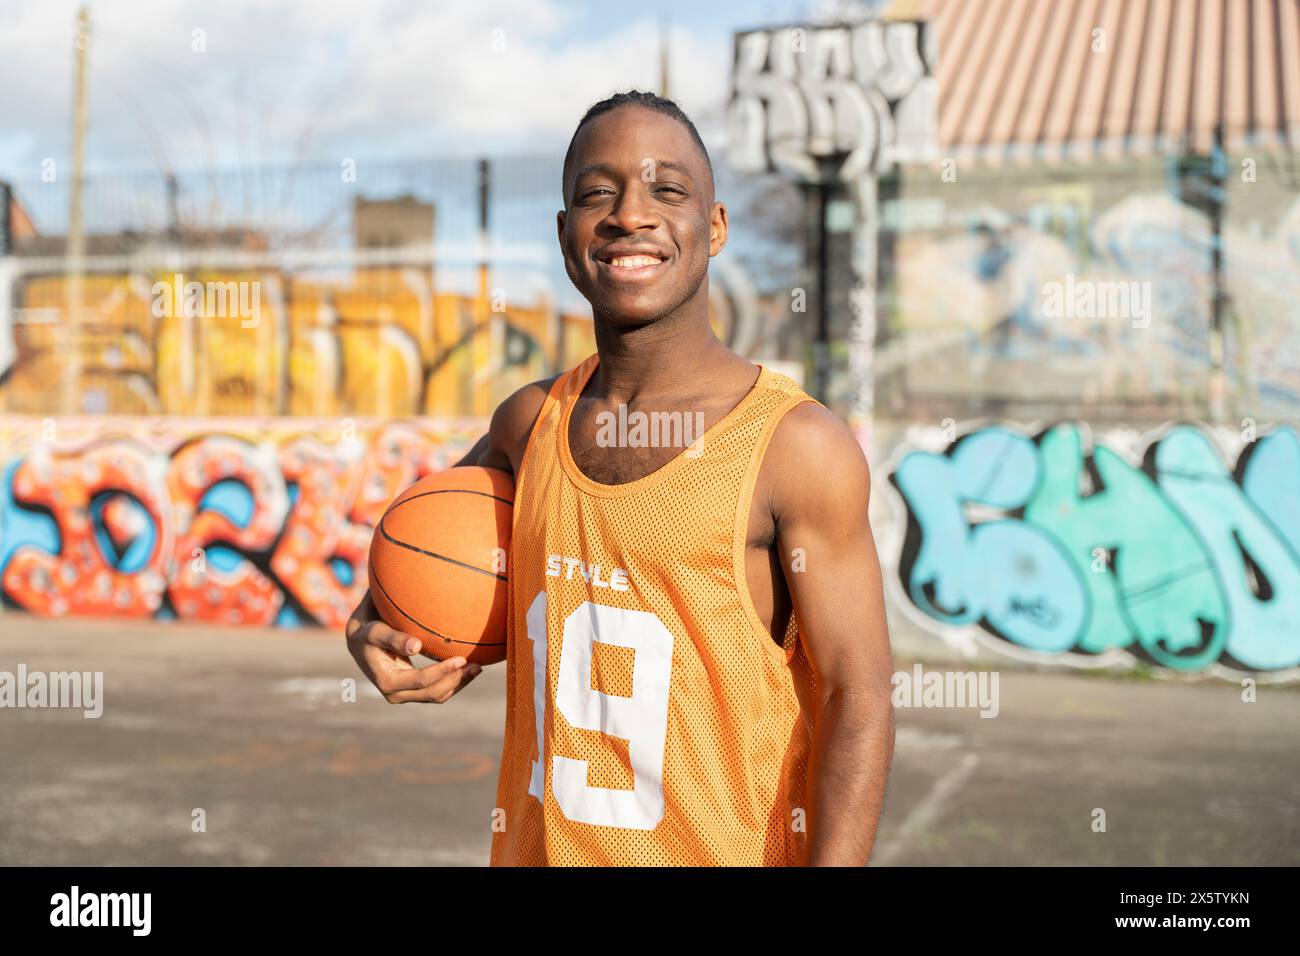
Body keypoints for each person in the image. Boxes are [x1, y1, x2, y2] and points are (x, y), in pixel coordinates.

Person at [346, 90, 895, 866]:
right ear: (566, 234)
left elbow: (857, 699)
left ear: (715, 226)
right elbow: (426, 541)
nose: (629, 214)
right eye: (596, 193)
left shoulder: (795, 447)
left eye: (666, 190)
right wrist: (368, 626)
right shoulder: (528, 423)